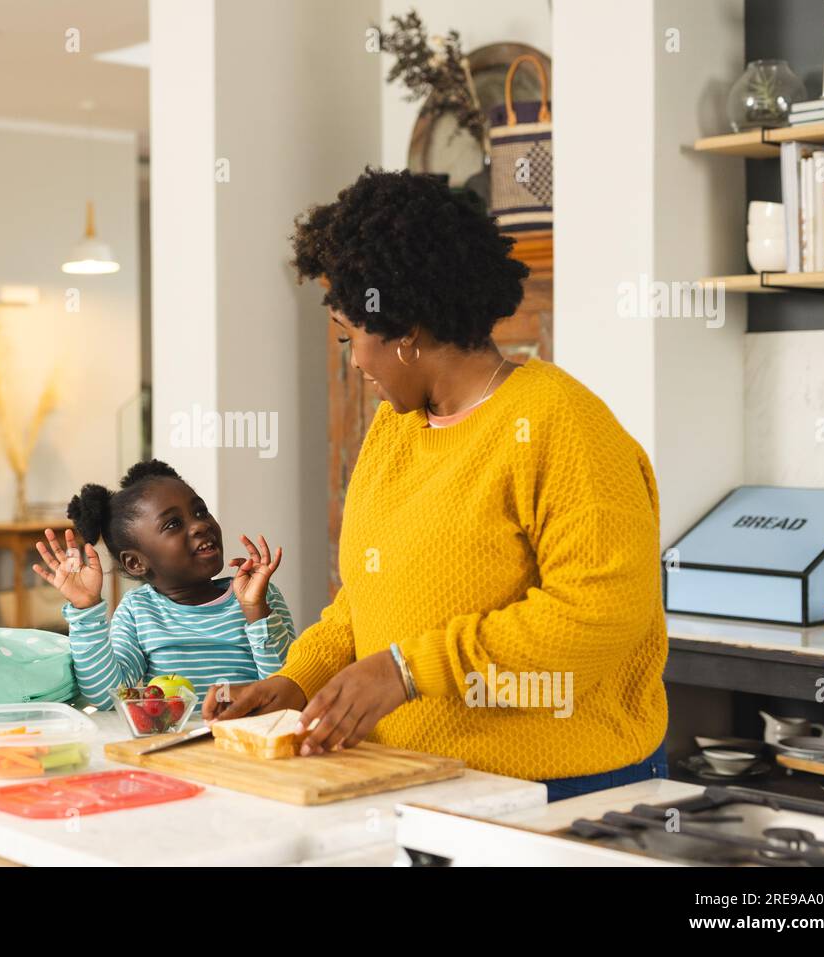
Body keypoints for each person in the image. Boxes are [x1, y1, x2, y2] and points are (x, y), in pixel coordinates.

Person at [202, 168, 669, 800]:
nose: (353, 360)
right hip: (411, 777)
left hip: (561, 788)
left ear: (407, 327)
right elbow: (368, 600)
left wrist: (409, 670)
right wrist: (300, 682)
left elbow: (598, 618)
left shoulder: (563, 424)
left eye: (350, 335)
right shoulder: (394, 429)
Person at [33, 459, 294, 709]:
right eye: (173, 524)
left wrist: (256, 611)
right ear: (136, 563)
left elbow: (288, 685)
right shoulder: (138, 611)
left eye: (200, 511)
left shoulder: (258, 595)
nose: (200, 525)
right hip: (173, 735)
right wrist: (86, 608)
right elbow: (105, 696)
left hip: (247, 733)